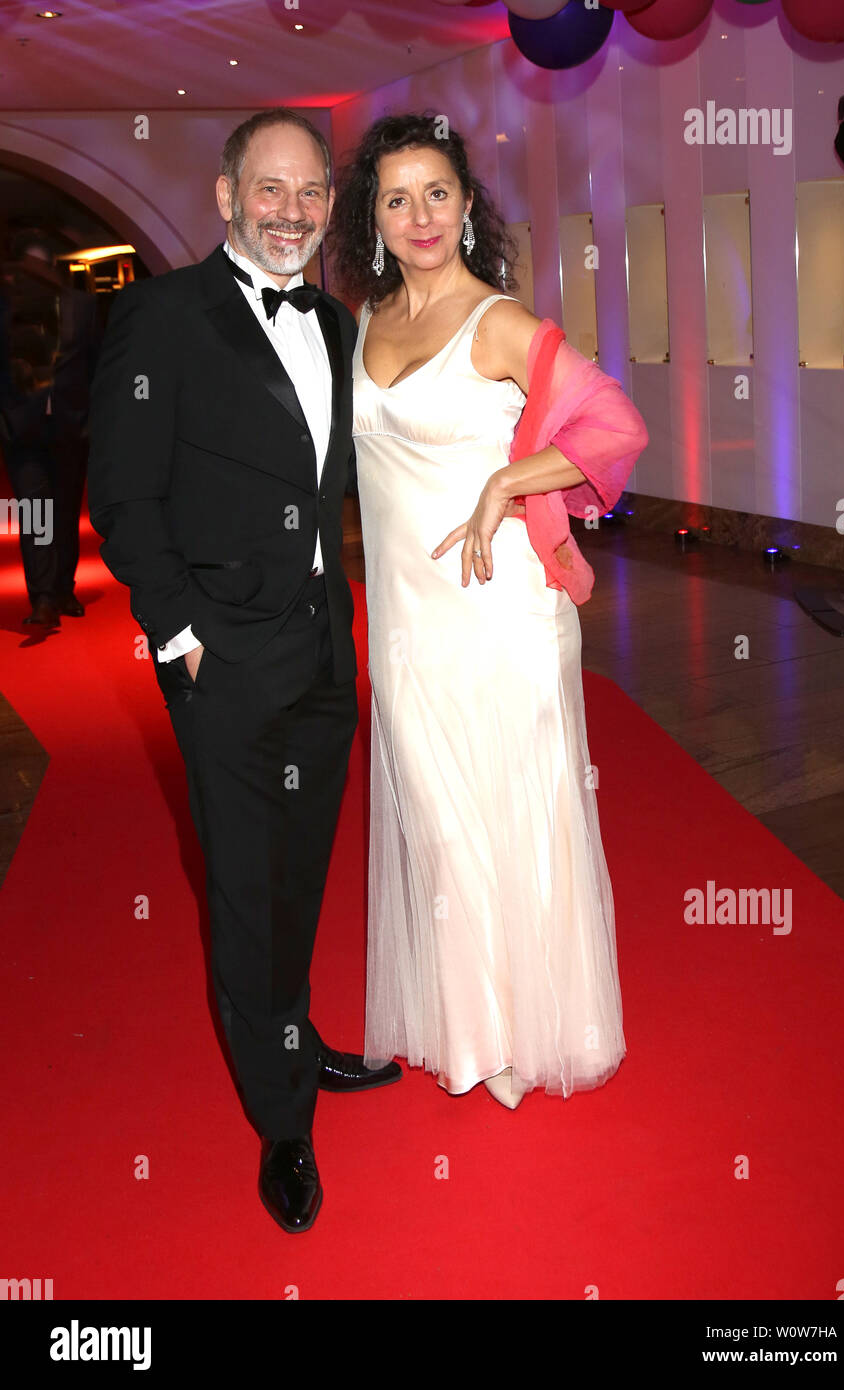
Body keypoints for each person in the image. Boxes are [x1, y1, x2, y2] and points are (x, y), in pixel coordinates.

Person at [88, 109, 401, 1234]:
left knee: (300, 872)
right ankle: (282, 1122)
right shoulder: (160, 318)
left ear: (329, 207)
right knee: (242, 890)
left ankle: (296, 1036)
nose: (289, 211)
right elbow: (121, 498)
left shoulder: (332, 318)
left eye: (310, 192)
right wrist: (181, 640)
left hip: (321, 646)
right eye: (268, 190)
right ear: (226, 195)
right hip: (222, 660)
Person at [328, 113, 649, 1109]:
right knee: (439, 825)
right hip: (402, 620)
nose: (418, 214)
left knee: (517, 815)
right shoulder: (364, 323)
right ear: (370, 219)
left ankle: (523, 1035)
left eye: (436, 192)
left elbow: (615, 426)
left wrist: (509, 484)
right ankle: (475, 1026)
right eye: (395, 197)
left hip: (501, 609)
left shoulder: (498, 321)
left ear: (466, 206)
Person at [0, 234, 100, 627]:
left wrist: (93, 419)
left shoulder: (83, 307)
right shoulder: (5, 312)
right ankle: (41, 595)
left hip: (70, 427)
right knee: (35, 514)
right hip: (21, 430)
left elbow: (97, 366)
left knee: (65, 512)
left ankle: (63, 589)